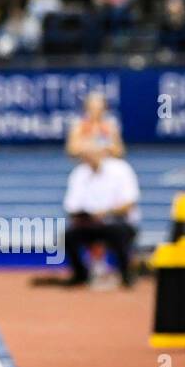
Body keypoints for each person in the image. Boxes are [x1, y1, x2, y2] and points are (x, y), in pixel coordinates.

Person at [61, 147, 140, 287]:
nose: (89, 157)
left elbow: (129, 203)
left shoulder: (121, 169)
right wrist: (86, 216)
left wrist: (106, 213)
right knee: (69, 236)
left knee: (119, 233)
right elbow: (71, 205)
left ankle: (126, 275)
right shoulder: (79, 173)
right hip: (90, 223)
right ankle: (81, 275)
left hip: (117, 221)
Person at [65, 91, 125, 161]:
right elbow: (72, 151)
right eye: (93, 107)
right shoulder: (79, 126)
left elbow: (120, 152)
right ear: (86, 107)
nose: (96, 110)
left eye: (99, 107)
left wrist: (104, 149)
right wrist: (89, 149)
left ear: (104, 108)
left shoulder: (110, 126)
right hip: (86, 165)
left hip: (107, 164)